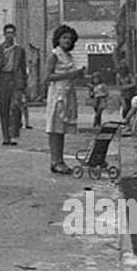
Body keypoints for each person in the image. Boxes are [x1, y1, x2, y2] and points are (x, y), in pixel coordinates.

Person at [44, 25, 85, 173]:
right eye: (64, 38)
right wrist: (70, 75)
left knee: (61, 129)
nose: (67, 40)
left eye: (69, 38)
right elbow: (47, 77)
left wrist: (80, 75)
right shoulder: (54, 55)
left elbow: (72, 75)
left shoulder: (68, 56)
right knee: (55, 128)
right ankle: (55, 161)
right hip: (57, 93)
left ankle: (59, 160)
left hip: (68, 92)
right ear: (58, 39)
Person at [0, 23, 28, 146]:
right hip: (3, 79)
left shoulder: (19, 50)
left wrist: (24, 84)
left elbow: (22, 67)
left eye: (12, 32)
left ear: (15, 34)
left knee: (15, 106)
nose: (10, 35)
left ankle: (13, 134)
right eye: (8, 33)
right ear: (4, 34)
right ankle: (6, 136)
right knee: (4, 108)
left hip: (15, 79)